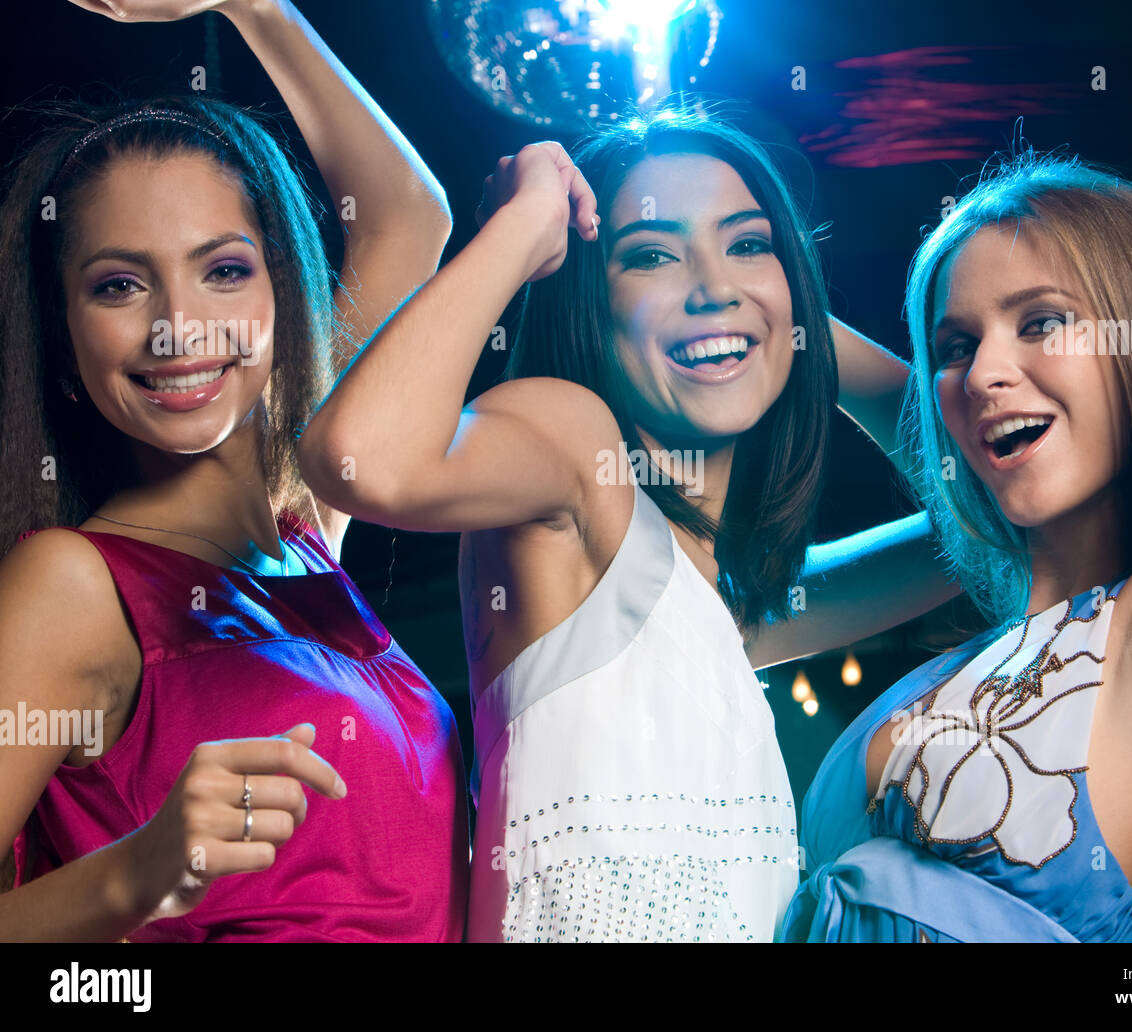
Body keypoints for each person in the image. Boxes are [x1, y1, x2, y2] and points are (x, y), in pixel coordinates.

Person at [299, 107, 957, 941]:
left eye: (749, 242)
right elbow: (358, 457)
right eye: (651, 256)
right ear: (586, 300)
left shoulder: (723, 612)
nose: (713, 283)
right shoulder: (576, 450)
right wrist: (525, 226)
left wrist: (773, 318)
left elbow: (984, 517)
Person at [0, 0, 467, 941]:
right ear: (64, 344)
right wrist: (141, 869)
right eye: (119, 285)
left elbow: (406, 220)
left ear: (281, 293)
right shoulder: (71, 588)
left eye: (223, 269)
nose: (179, 325)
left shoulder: (306, 534)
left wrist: (254, 5)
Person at [781, 150, 1132, 942]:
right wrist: (755, 300)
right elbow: (728, 617)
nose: (986, 370)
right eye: (954, 346)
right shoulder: (971, 641)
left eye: (1042, 322)